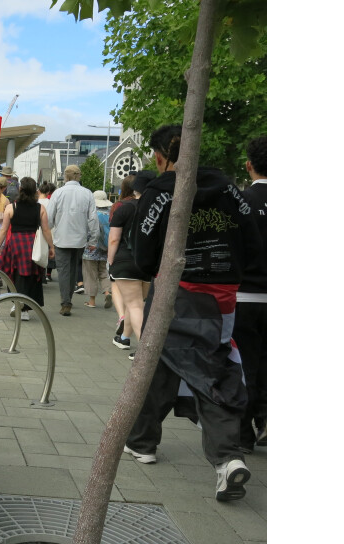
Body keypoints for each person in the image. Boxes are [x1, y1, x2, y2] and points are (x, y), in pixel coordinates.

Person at [122, 124, 263, 503]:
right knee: (165, 362)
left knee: (208, 370)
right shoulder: (231, 188)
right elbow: (253, 243)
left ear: (159, 155)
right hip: (225, 294)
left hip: (178, 291)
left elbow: (143, 252)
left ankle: (225, 457)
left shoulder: (161, 190)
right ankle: (142, 439)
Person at [234, 135, 267, 450]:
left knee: (244, 365)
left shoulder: (242, 201)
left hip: (246, 296)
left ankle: (243, 434)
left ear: (248, 165)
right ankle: (266, 419)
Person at [107, 171, 155, 356]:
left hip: (125, 261)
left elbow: (113, 239)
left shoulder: (124, 208)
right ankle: (124, 337)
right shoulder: (156, 208)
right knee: (134, 302)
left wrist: (111, 261)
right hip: (149, 264)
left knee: (134, 305)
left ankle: (145, 352)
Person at [0, 177, 54, 320]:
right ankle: (25, 309)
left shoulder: (12, 207)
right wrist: (51, 247)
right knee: (31, 275)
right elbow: (46, 230)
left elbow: (3, 230)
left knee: (15, 273)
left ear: (20, 189)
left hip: (15, 243)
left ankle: (17, 303)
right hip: (33, 244)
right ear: (35, 191)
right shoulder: (40, 208)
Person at [45, 164, 99, 316]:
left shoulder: (58, 193)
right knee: (74, 269)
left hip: (62, 236)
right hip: (79, 238)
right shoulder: (87, 193)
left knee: (63, 271)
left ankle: (65, 301)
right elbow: (93, 219)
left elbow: (49, 218)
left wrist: (48, 229)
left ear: (66, 176)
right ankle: (68, 297)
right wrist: (93, 240)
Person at [81, 190, 112, 309]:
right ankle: (107, 292)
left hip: (91, 249)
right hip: (105, 248)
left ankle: (92, 301)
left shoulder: (91, 214)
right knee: (104, 273)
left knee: (90, 275)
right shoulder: (110, 214)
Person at [36, 180, 57, 283]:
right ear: (48, 192)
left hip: (37, 231)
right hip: (49, 230)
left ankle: (39, 274)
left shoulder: (35, 203)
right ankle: (46, 274)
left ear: (39, 191)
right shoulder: (50, 203)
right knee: (47, 253)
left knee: (37, 252)